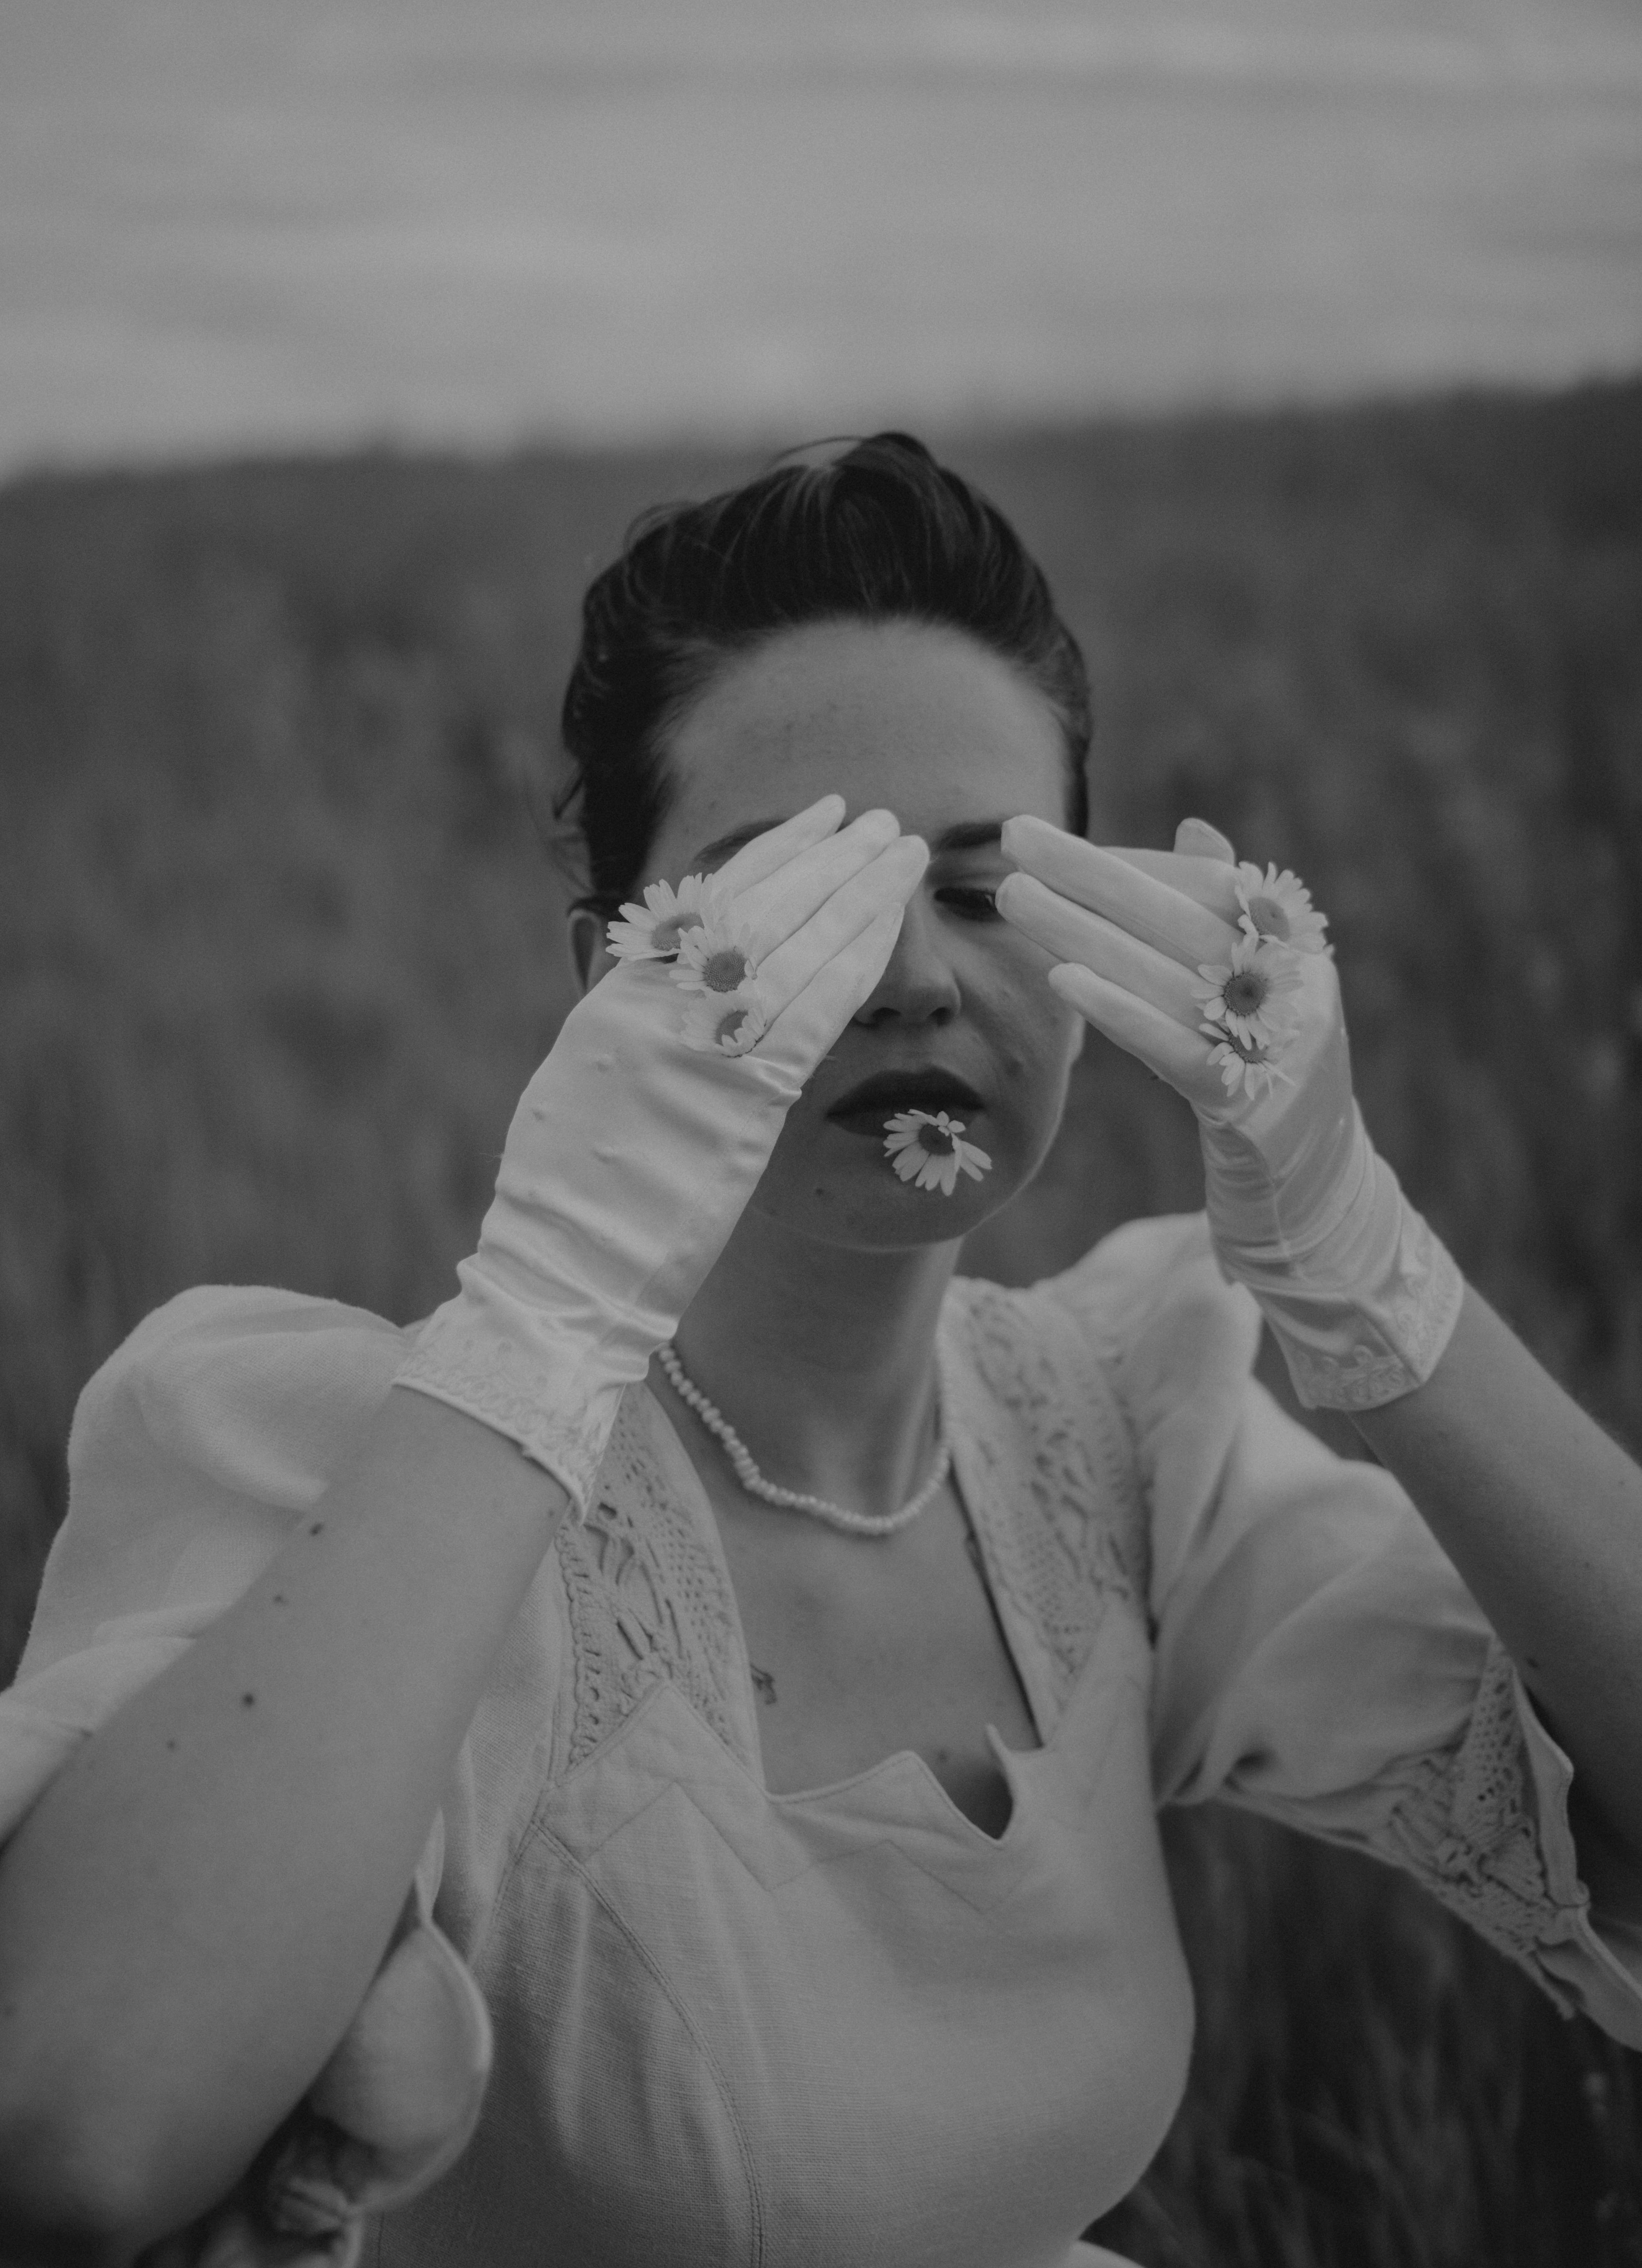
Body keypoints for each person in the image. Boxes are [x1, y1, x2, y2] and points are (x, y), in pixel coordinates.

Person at [0, 433, 1638, 2267]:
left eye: (986, 885)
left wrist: (1365, 1271)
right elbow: (75, 2130)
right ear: (601, 976)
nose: (910, 979)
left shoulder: (1112, 1425)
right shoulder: (370, 1480)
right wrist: (549, 1308)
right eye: (795, 902)